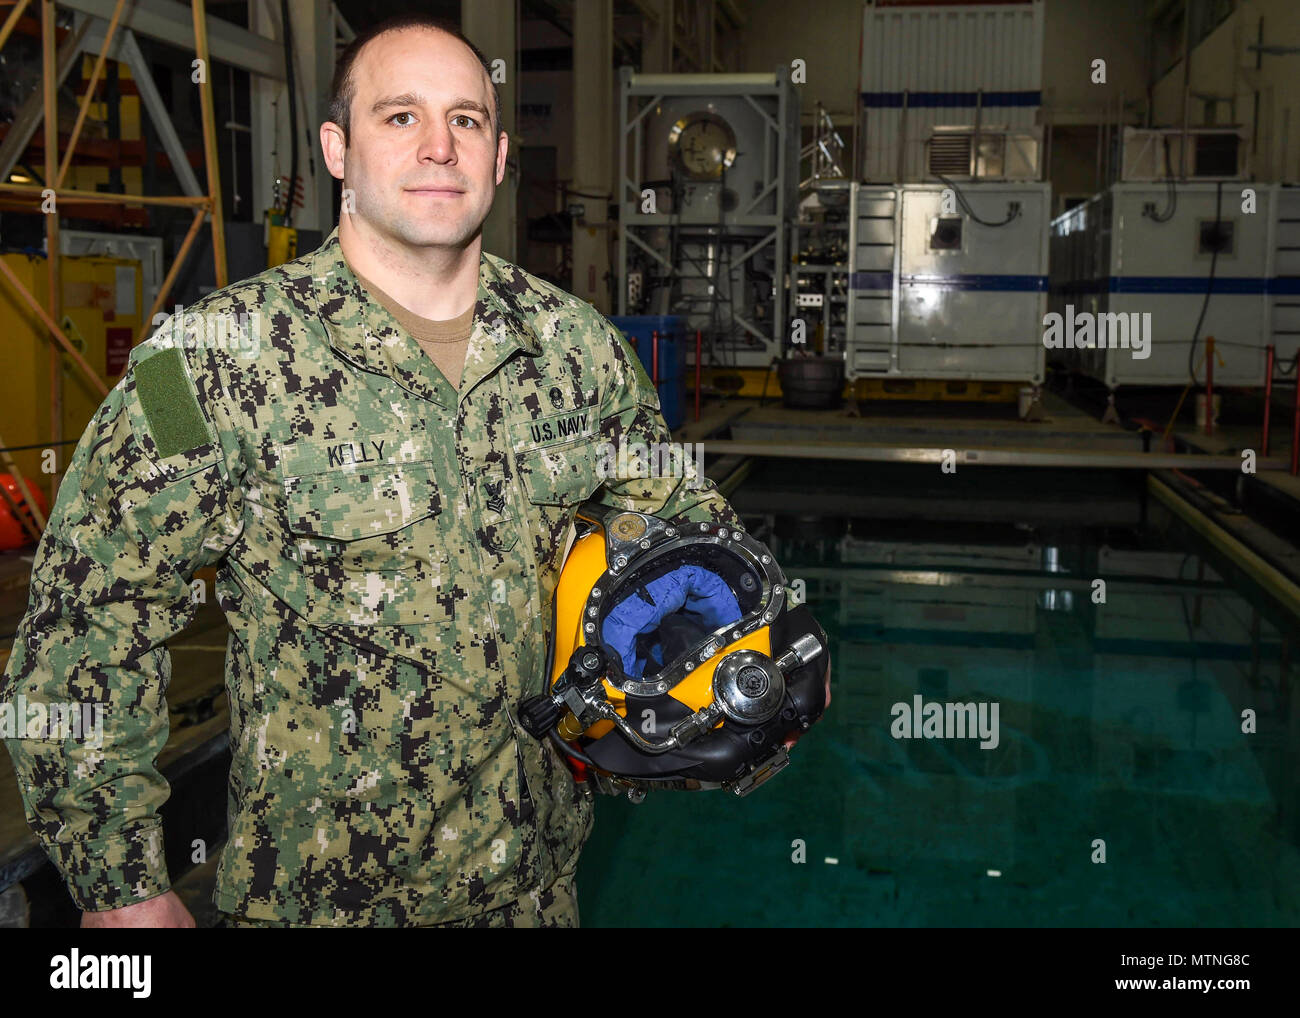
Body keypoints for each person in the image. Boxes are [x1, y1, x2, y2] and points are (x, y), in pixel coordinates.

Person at [0, 14, 754, 928]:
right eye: (400, 117)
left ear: (500, 154)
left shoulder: (578, 349)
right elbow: (84, 617)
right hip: (318, 910)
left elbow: (690, 529)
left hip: (537, 896)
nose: (439, 146)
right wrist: (117, 885)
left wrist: (760, 645)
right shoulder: (200, 361)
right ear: (337, 151)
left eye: (467, 120)